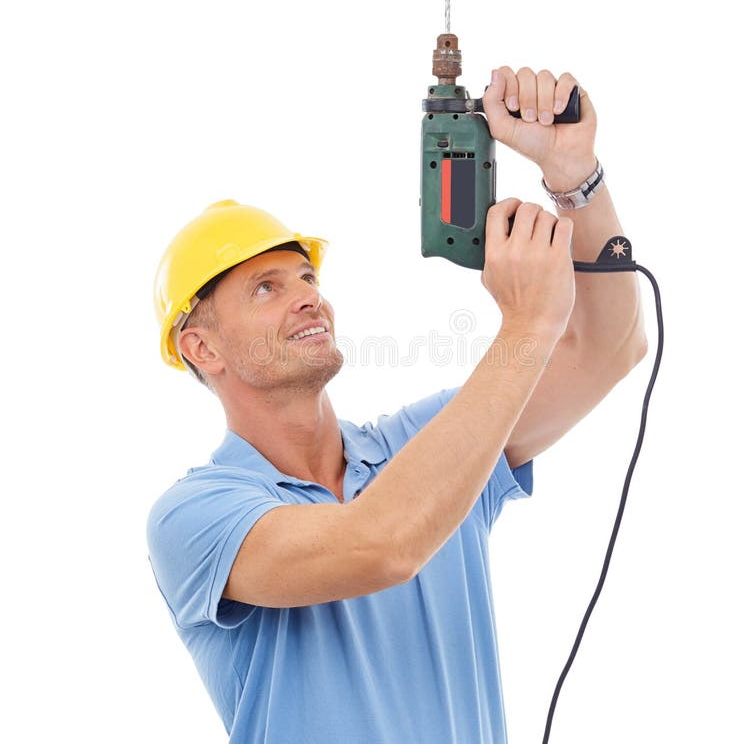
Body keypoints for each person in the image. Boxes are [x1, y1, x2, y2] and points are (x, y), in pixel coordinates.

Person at [147, 67, 648, 743]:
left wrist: (574, 178)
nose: (308, 297)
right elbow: (380, 545)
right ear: (201, 348)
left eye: (306, 277)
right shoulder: (198, 515)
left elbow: (611, 348)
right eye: (265, 289)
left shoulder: (428, 444)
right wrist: (527, 328)